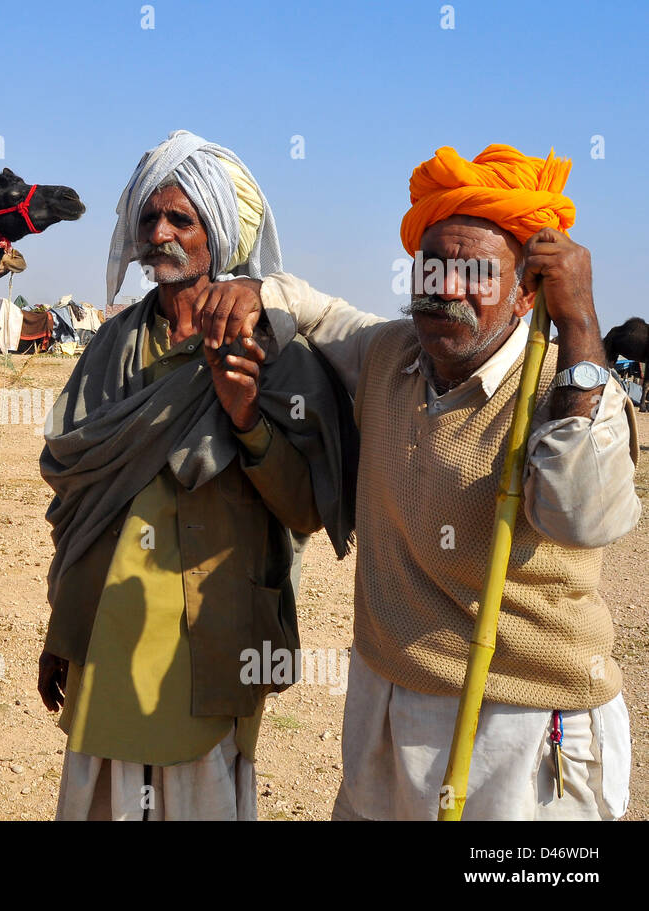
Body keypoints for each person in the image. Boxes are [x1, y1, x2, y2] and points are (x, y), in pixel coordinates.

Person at [192, 144, 639, 819]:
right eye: (433, 266)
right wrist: (259, 291)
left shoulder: (568, 388)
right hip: (385, 707)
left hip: (522, 729)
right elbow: (318, 312)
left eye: (474, 273)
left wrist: (579, 323)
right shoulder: (389, 354)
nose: (446, 288)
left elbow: (579, 515)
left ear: (526, 293)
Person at [37, 131, 355, 820]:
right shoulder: (112, 347)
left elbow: (306, 509)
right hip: (109, 633)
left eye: (181, 219)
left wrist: (248, 422)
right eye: (151, 218)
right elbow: (79, 506)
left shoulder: (275, 349)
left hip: (212, 642)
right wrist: (64, 632)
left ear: (219, 233)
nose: (161, 233)